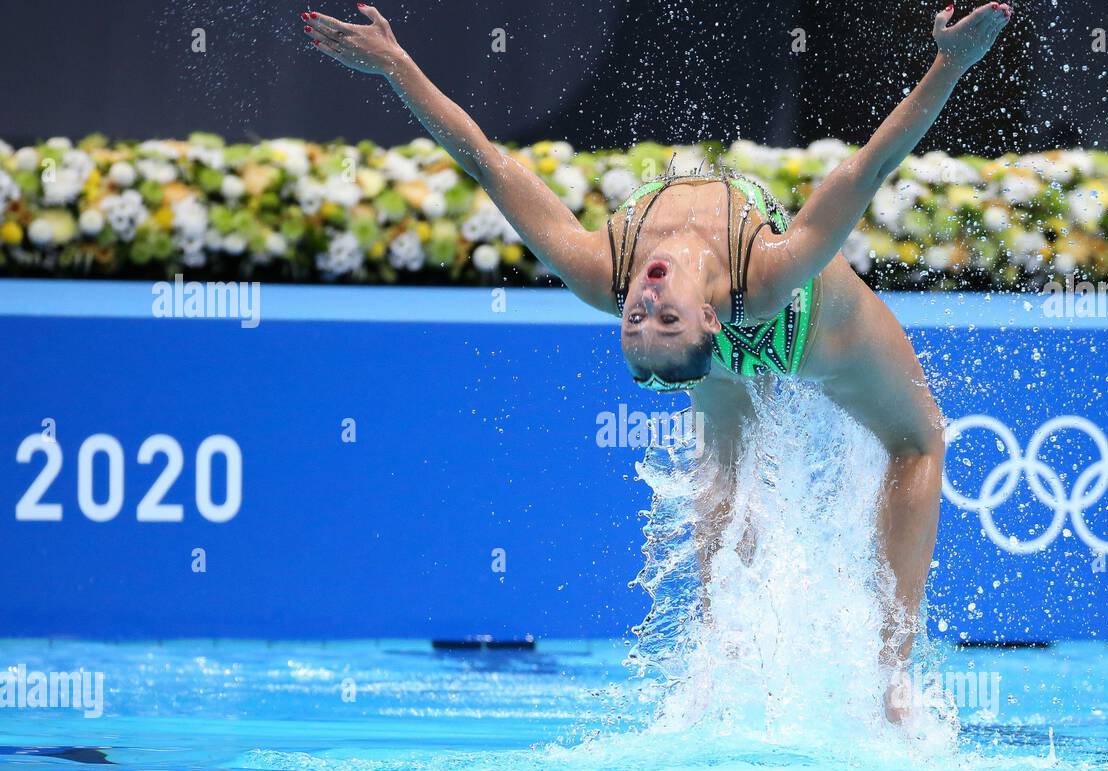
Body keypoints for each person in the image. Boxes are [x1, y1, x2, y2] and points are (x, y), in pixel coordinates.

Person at [301, 2, 1013, 722]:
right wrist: (952, 62)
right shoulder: (765, 272)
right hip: (802, 325)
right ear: (704, 318)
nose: (645, 296)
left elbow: (484, 158)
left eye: (638, 317)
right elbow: (872, 166)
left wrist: (396, 64)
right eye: (659, 313)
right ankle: (856, 676)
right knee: (913, 440)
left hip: (735, 349)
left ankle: (794, 670)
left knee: (775, 468)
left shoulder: (597, 270)